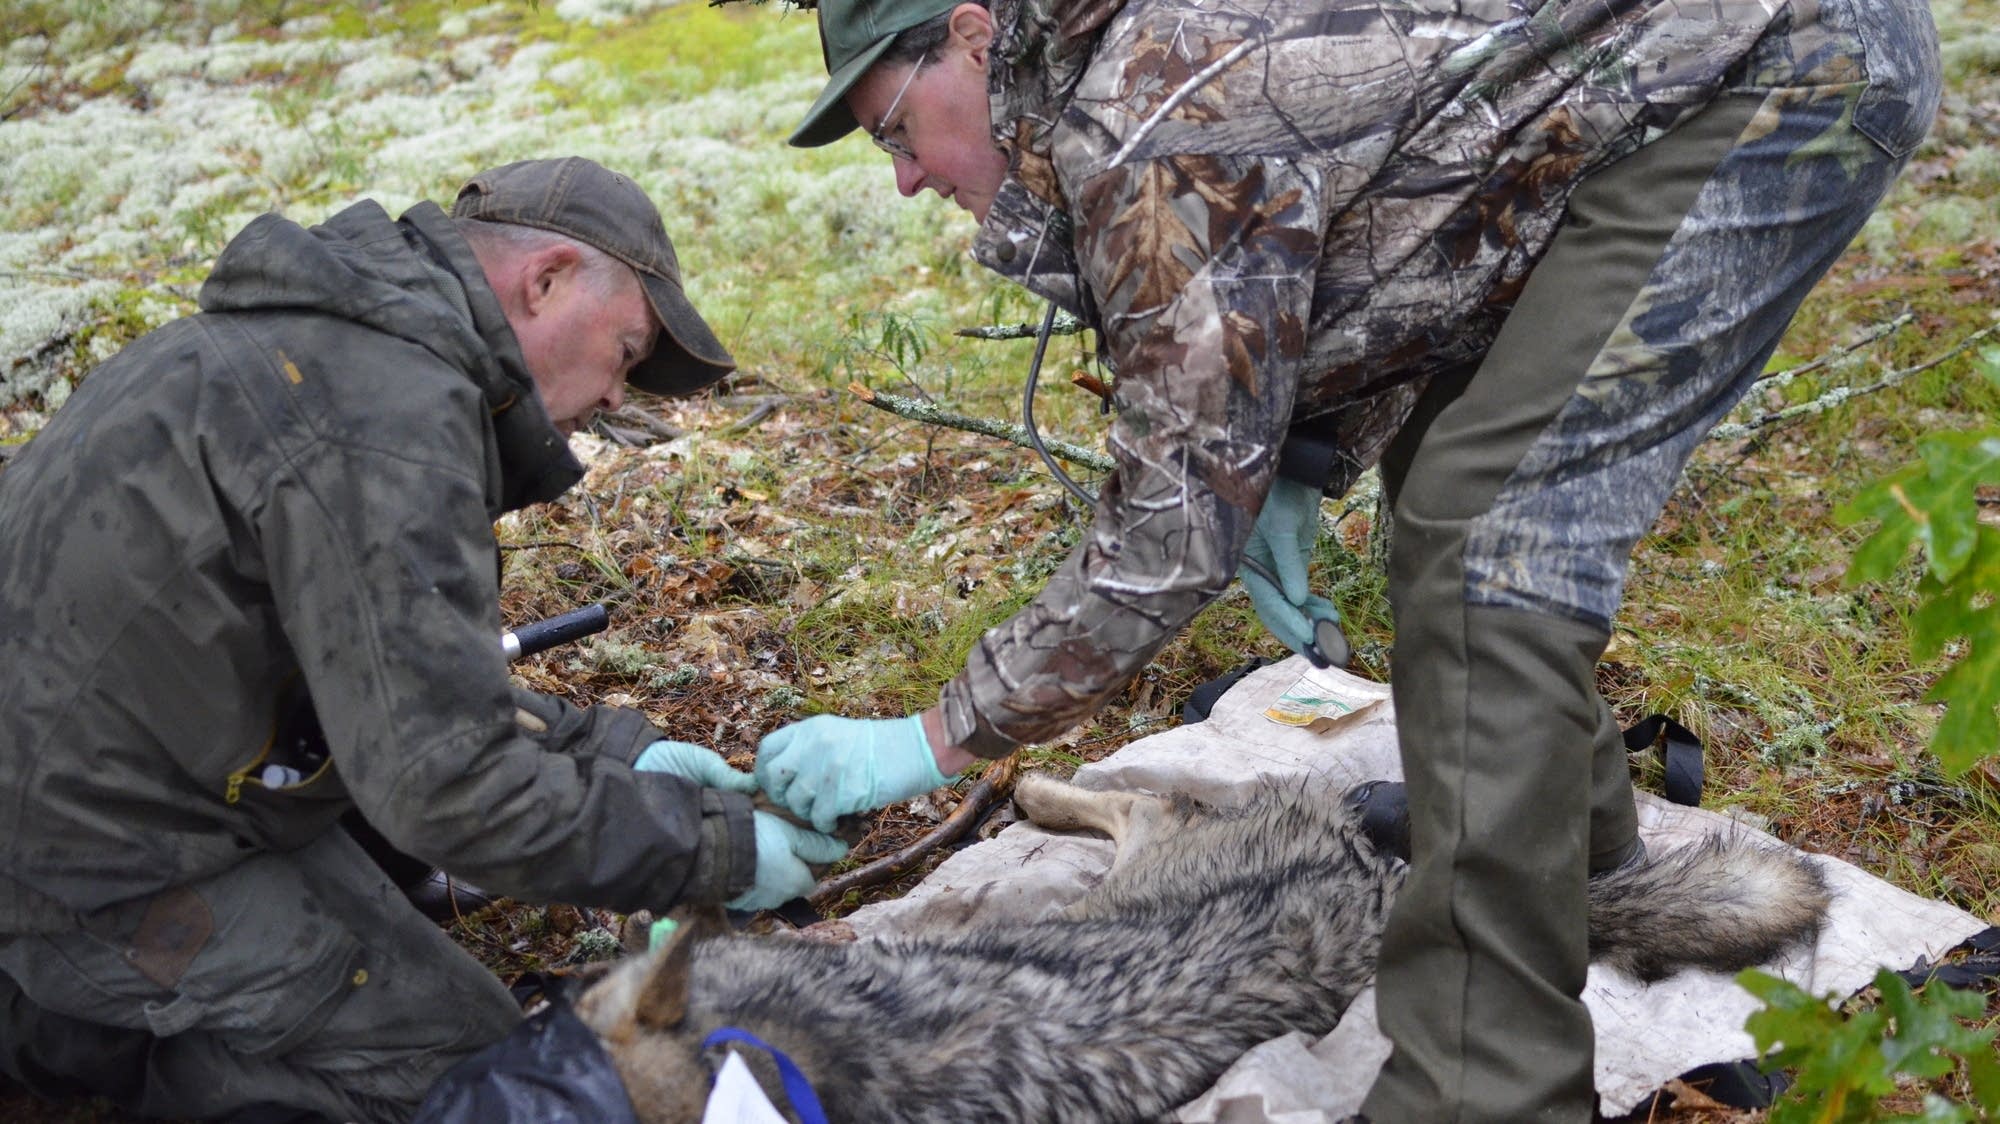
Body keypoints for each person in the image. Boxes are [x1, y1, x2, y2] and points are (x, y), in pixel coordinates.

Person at [759, 0, 1941, 1119]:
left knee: (1489, 532)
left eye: (895, 132)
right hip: (1658, 90)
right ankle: (1573, 852)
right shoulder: (1115, 79)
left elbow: (1165, 535)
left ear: (971, 38)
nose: (906, 177)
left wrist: (933, 736)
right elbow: (1397, 227)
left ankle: (1485, 1082)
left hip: (1778, 68)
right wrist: (1299, 455)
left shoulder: (1138, 111)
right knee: (1450, 478)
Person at [0, 156, 846, 1124]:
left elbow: (391, 676)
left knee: (387, 919)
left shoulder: (335, 346)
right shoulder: (392, 421)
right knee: (468, 1066)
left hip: (108, 782)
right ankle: (82, 1032)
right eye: (624, 352)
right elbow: (445, 784)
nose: (617, 400)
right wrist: (711, 849)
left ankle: (62, 1004)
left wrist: (616, 750)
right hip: (95, 854)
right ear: (547, 279)